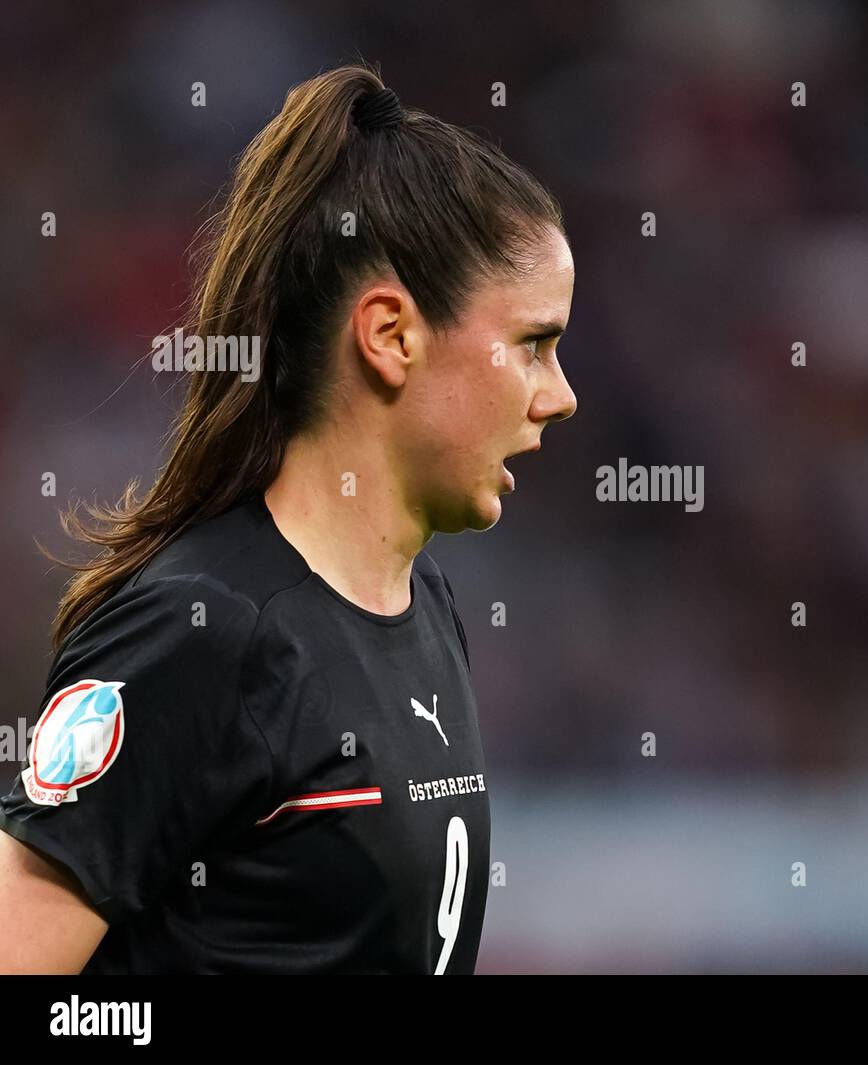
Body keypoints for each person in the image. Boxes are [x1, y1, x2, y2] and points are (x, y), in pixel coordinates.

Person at [0, 63, 577, 973]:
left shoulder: (424, 603)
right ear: (390, 335)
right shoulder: (201, 631)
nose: (561, 395)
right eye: (534, 344)